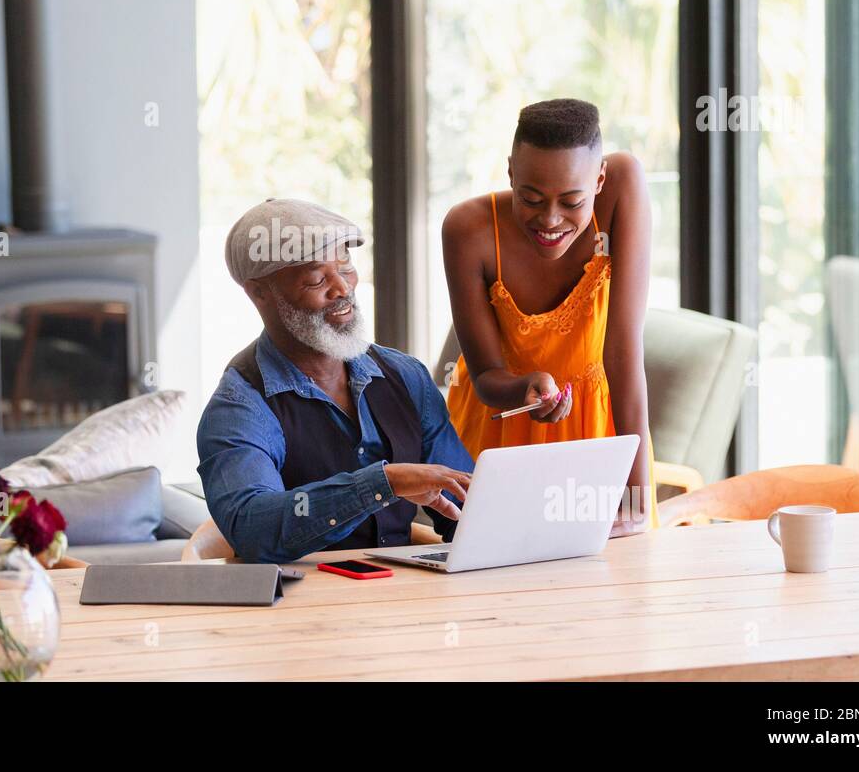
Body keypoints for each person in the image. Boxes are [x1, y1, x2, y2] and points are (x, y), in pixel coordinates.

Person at [197, 198, 475, 563]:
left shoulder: (406, 377)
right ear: (259, 292)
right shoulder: (239, 407)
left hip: (408, 602)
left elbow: (463, 501)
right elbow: (253, 529)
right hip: (302, 611)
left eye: (346, 266)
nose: (342, 288)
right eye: (316, 278)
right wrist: (383, 483)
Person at [442, 98, 657, 533]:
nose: (550, 220)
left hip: (597, 432)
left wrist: (635, 497)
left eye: (572, 202)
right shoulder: (468, 231)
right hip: (501, 432)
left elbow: (622, 353)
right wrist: (525, 388)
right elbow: (485, 377)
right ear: (510, 174)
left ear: (598, 181)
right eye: (531, 198)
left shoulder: (622, 187)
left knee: (614, 588)